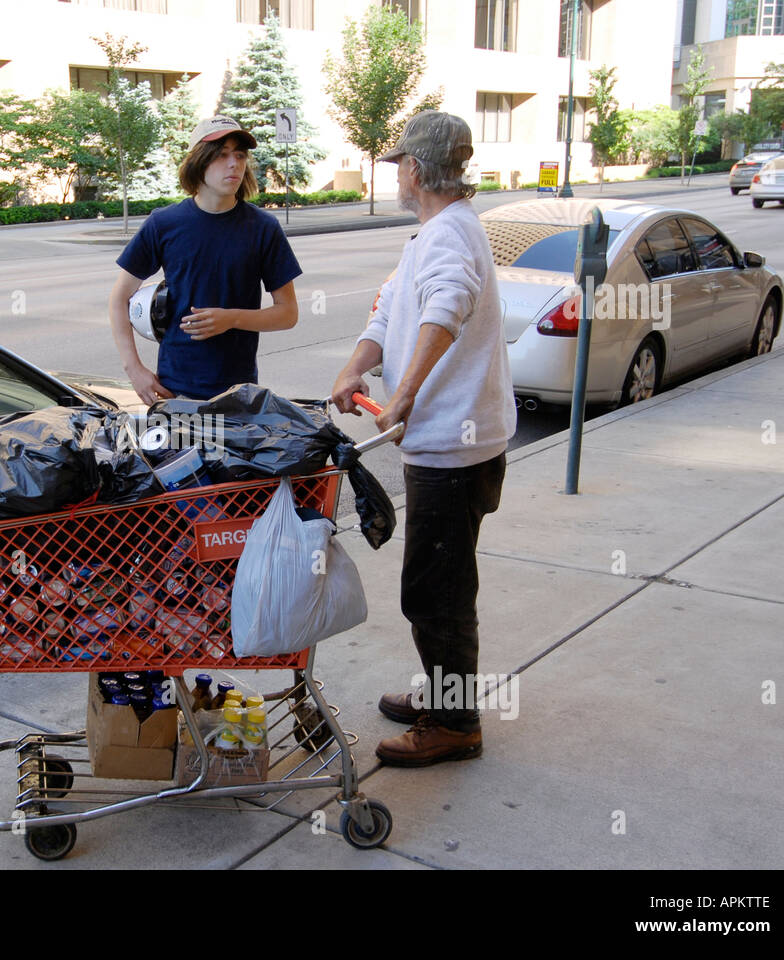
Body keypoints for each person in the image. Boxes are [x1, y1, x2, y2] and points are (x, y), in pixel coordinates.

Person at [331, 110, 516, 766]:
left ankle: (455, 723)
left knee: (435, 589)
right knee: (440, 579)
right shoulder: (436, 233)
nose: (397, 176)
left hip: (451, 446)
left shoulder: (447, 237)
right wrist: (358, 362)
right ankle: (443, 696)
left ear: (415, 168)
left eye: (399, 164)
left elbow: (445, 308)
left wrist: (401, 397)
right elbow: (391, 308)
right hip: (453, 441)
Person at [108, 116, 302, 404]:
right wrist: (134, 369)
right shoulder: (164, 224)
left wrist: (232, 318)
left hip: (238, 395)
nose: (234, 164)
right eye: (222, 155)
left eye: (239, 155)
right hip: (174, 392)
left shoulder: (263, 228)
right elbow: (118, 299)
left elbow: (287, 313)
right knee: (178, 450)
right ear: (199, 161)